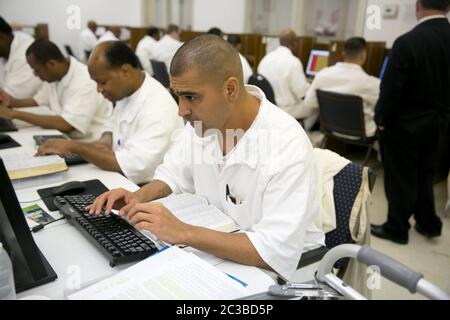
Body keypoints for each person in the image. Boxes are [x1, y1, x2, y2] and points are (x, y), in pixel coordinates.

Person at [88, 35, 324, 281]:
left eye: (191, 97)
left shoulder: (285, 144)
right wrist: (136, 197)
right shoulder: (203, 123)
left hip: (276, 272)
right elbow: (173, 175)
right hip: (218, 248)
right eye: (178, 96)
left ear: (230, 89)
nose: (181, 110)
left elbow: (272, 250)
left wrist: (184, 232)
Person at [37, 41, 183, 185]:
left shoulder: (157, 106)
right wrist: (106, 138)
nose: (98, 89)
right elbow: (112, 122)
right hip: (120, 176)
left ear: (125, 71)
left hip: (143, 187)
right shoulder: (127, 90)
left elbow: (137, 167)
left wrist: (74, 147)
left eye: (102, 82)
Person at [371, 0, 450, 244]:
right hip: (441, 125)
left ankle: (397, 228)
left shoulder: (407, 42)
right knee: (426, 174)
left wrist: (381, 119)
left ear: (418, 6)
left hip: (404, 126)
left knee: (400, 178)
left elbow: (391, 88)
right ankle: (428, 224)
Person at [0, 40, 112, 140]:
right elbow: (37, 100)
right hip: (67, 137)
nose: (36, 75)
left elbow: (67, 124)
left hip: (92, 142)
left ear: (51, 64)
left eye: (37, 71)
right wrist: (10, 102)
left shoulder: (84, 80)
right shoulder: (54, 77)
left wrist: (14, 114)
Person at [303, 37, 380, 138]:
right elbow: (383, 108)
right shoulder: (371, 83)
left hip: (330, 129)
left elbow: (309, 102)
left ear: (343, 53)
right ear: (363, 55)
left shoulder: (323, 74)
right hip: (361, 134)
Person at [257, 29, 313, 130]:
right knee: (315, 105)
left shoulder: (266, 58)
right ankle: (301, 131)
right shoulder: (293, 62)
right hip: (285, 109)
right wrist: (312, 87)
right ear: (295, 43)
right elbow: (302, 93)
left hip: (266, 107)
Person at [0, 16, 41, 99]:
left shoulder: (27, 55)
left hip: (31, 108)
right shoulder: (7, 47)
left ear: (1, 37)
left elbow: (8, 99)